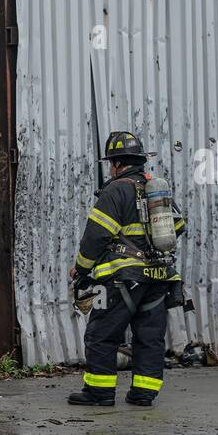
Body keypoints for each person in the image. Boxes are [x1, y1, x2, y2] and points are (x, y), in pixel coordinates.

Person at [68, 130, 187, 407]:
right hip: (159, 277)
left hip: (119, 280)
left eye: (111, 163)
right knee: (150, 337)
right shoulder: (154, 187)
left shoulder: (115, 190)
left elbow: (96, 235)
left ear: (118, 163)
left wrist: (81, 269)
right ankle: (144, 393)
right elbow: (178, 227)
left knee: (101, 333)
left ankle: (99, 392)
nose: (110, 168)